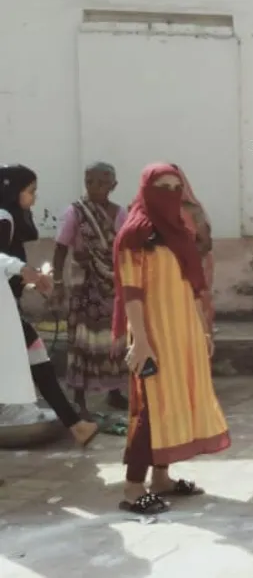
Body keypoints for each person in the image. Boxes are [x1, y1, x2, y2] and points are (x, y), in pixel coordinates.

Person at [113, 163, 230, 515]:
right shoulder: (135, 234)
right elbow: (131, 292)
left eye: (175, 187)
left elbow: (193, 288)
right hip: (153, 334)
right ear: (146, 190)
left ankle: (161, 478)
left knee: (177, 401)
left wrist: (203, 329)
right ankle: (134, 488)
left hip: (185, 332)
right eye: (161, 186)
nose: (170, 194)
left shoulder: (180, 230)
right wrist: (141, 341)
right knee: (150, 407)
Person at [0, 164, 99, 446]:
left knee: (37, 358)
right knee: (36, 358)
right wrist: (24, 271)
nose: (34, 198)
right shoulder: (3, 217)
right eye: (30, 191)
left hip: (8, 313)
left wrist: (26, 277)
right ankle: (76, 424)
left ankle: (76, 424)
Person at [50, 162, 129, 418]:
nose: (95, 188)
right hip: (84, 287)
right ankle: (79, 398)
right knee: (82, 341)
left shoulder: (120, 214)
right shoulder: (75, 213)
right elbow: (61, 248)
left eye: (102, 183)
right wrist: (58, 284)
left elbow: (126, 248)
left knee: (113, 339)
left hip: (111, 286)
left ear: (113, 186)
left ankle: (114, 392)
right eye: (90, 182)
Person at [169, 164, 214, 331]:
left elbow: (206, 243)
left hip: (191, 270)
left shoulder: (193, 210)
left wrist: (184, 262)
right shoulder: (148, 211)